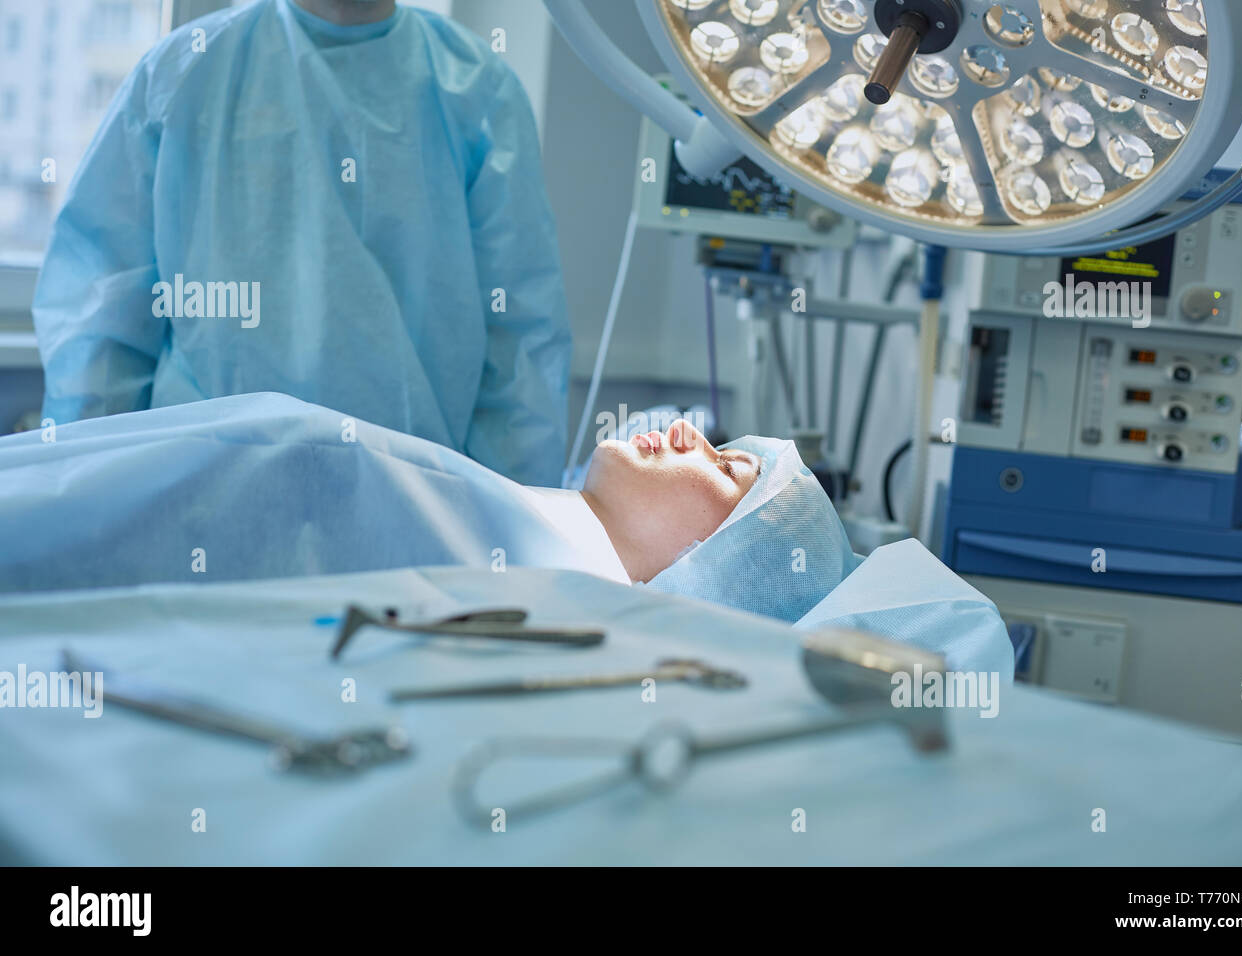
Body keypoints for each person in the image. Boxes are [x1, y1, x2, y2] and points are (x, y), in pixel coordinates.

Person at [0, 393, 1013, 676]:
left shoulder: (536, 601)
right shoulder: (500, 518)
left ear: (724, 566)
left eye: (727, 466)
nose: (691, 433)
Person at [33, 0, 570, 486]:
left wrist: (511, 531)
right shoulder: (181, 75)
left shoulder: (478, 91)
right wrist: (88, 493)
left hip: (417, 509)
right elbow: (103, 326)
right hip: (196, 496)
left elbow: (519, 342)